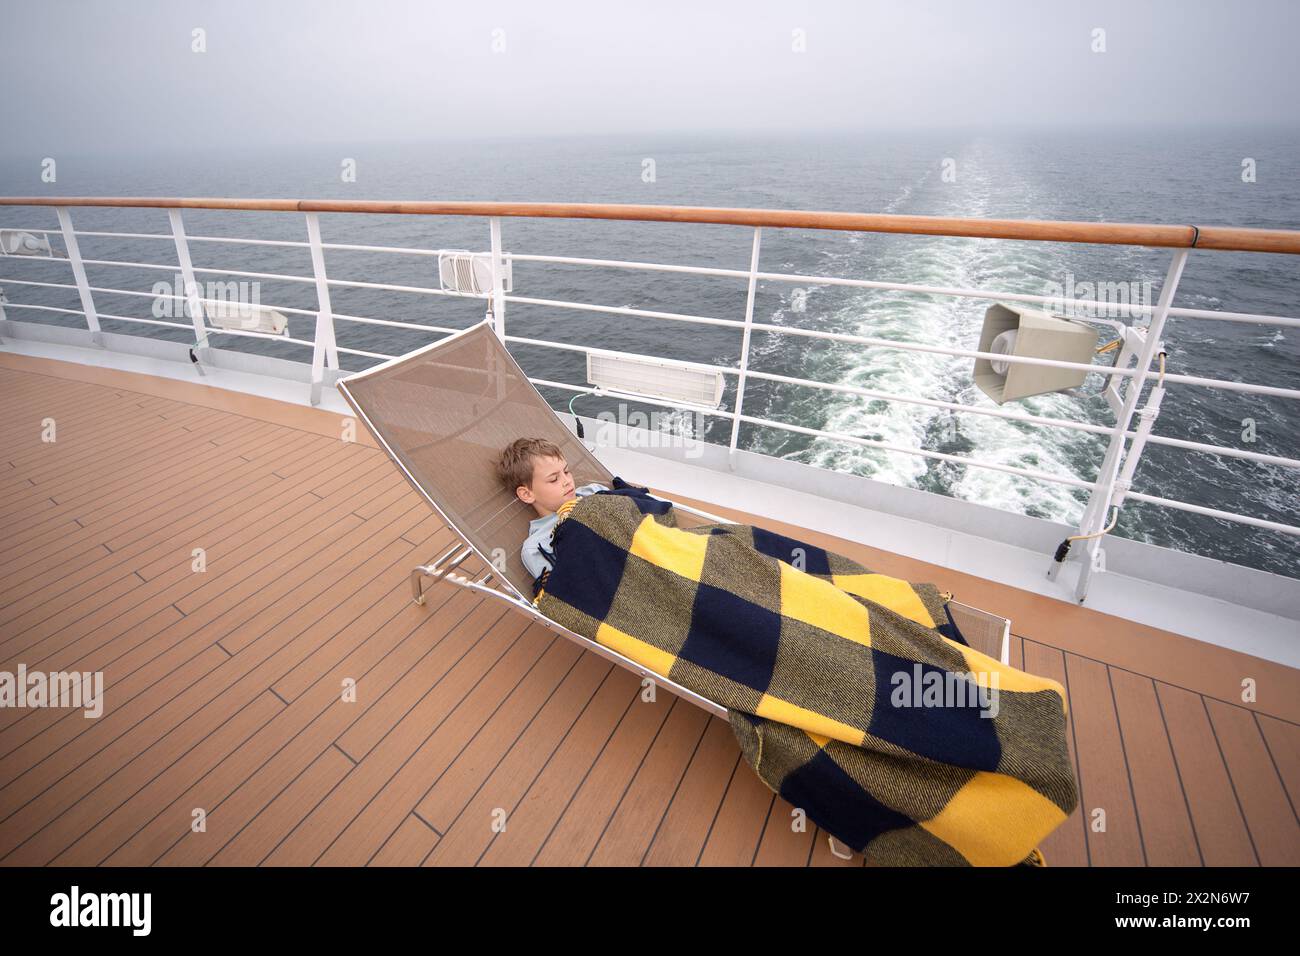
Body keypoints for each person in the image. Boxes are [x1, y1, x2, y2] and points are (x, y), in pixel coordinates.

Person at [495, 438, 609, 583]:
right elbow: (566, 590)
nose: (567, 481)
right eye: (554, 479)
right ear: (527, 494)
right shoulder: (538, 547)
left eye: (566, 471)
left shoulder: (594, 490)